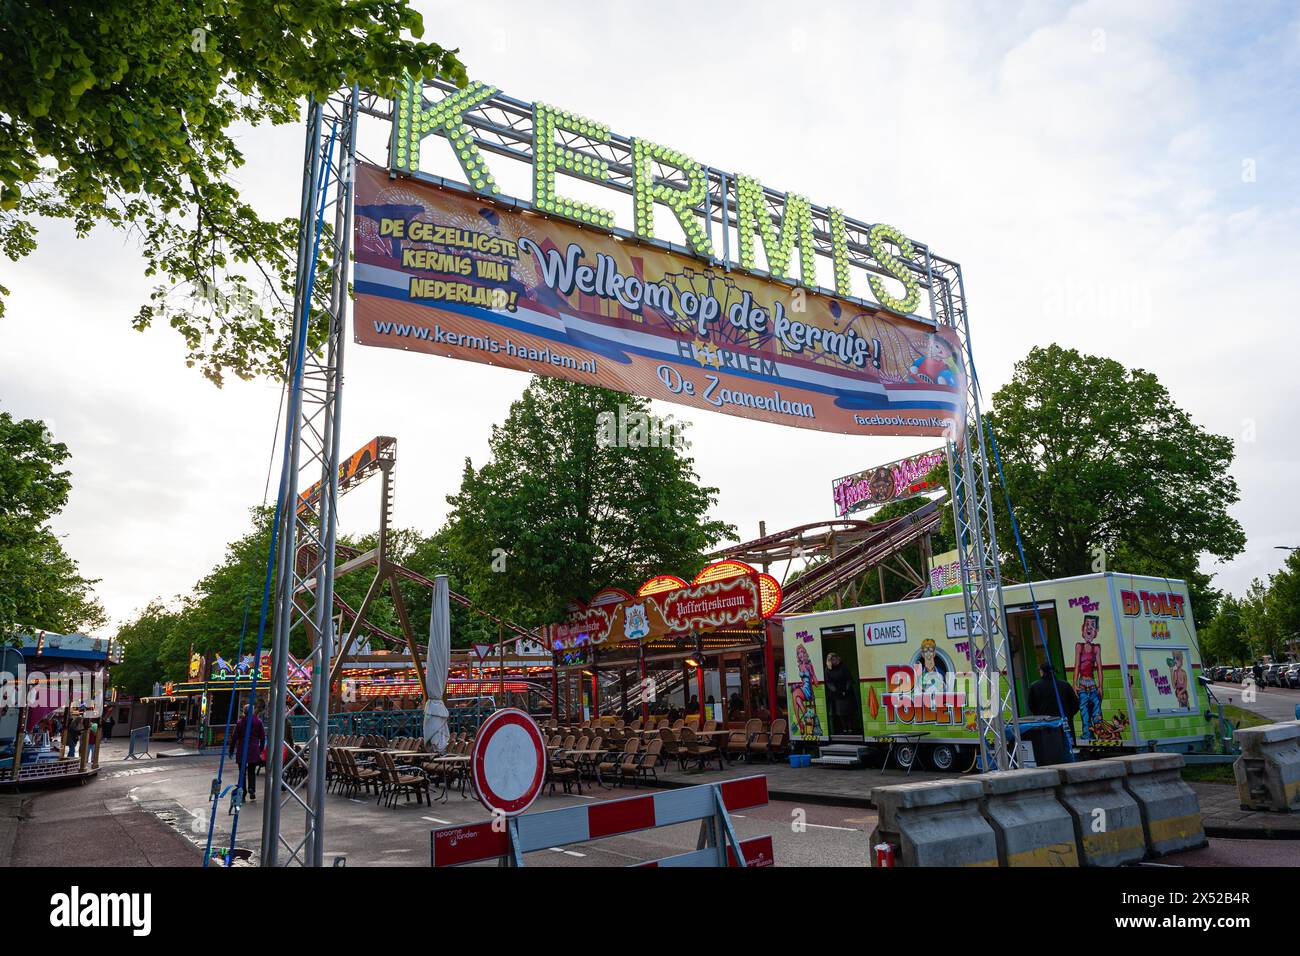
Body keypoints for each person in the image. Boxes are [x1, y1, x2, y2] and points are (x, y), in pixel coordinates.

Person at [230, 706, 266, 802]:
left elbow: (234, 738)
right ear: (253, 711)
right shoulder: (258, 722)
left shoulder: (240, 723)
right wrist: (261, 749)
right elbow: (262, 737)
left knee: (242, 773)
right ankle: (252, 789)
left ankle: (242, 793)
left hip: (242, 750)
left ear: (244, 712)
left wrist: (231, 750)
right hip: (254, 750)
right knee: (251, 771)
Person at [823, 653, 860, 736]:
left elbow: (849, 679)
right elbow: (828, 683)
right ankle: (844, 729)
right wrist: (836, 691)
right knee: (840, 713)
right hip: (836, 694)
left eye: (835, 658)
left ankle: (851, 729)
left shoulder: (843, 667)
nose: (835, 660)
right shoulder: (828, 670)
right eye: (832, 659)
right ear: (829, 661)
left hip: (847, 692)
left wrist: (845, 690)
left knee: (849, 711)